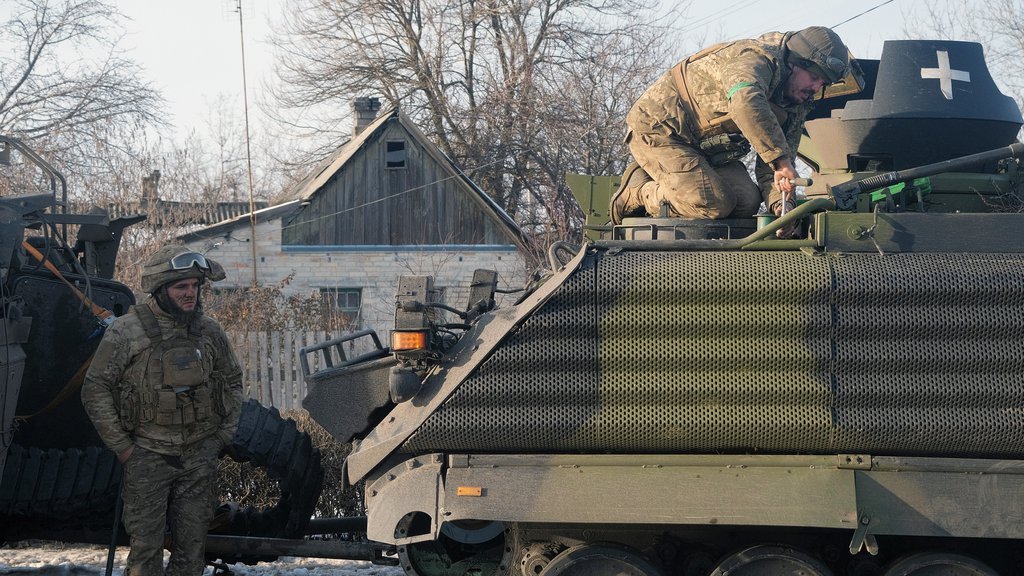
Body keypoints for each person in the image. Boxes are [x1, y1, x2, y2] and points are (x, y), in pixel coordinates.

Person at [82, 245, 243, 576]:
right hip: (148, 455)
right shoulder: (127, 331)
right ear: (160, 289)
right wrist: (124, 448)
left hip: (198, 456)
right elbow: (95, 388)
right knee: (145, 552)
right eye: (181, 287)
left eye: (195, 286)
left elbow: (233, 382)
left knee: (192, 551)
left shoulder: (210, 331)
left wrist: (222, 436)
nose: (190, 294)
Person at [611, 26, 853, 236]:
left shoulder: (796, 102)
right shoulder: (756, 57)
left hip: (706, 150)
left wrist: (783, 209)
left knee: (746, 202)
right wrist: (780, 161)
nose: (815, 87)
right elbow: (745, 101)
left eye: (823, 83)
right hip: (660, 130)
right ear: (794, 63)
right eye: (813, 77)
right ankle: (637, 191)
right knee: (712, 203)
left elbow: (778, 169)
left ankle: (676, 183)